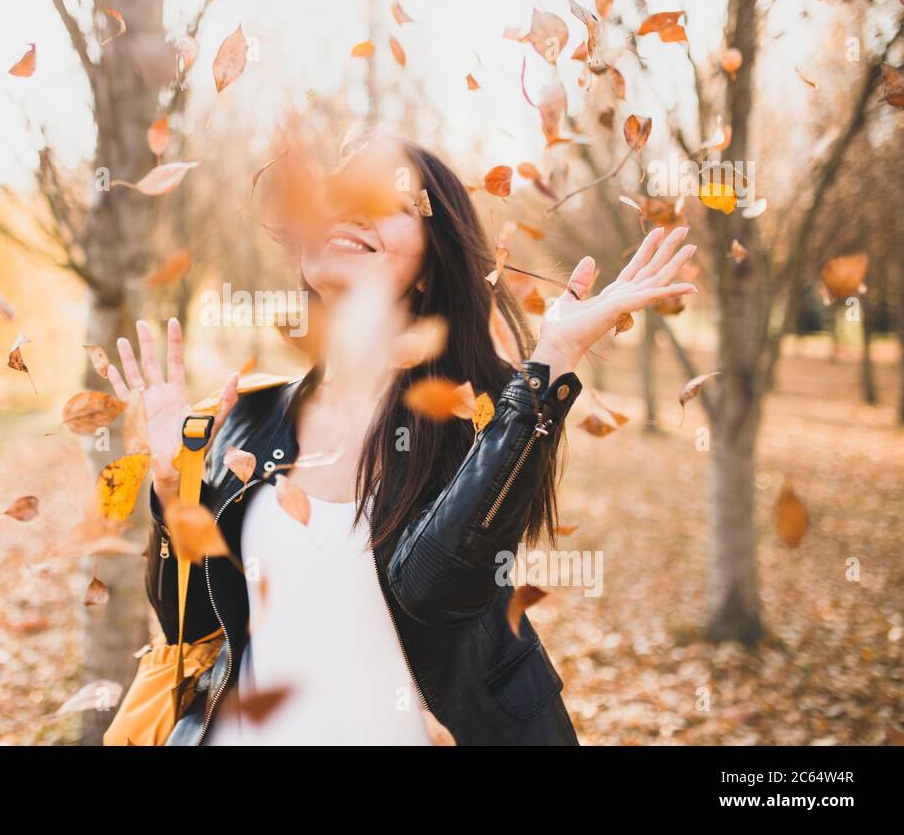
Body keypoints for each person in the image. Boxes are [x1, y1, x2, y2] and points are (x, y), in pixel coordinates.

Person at [106, 137, 697, 745]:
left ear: (430, 268)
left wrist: (550, 366)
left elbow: (433, 591)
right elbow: (191, 625)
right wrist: (172, 488)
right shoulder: (247, 415)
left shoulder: (483, 421)